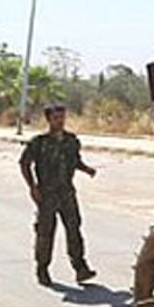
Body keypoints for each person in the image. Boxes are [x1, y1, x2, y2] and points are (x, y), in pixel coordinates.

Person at [19, 103, 98, 286]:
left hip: (67, 193)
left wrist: (87, 169)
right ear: (48, 120)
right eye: (56, 118)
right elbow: (24, 164)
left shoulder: (71, 140)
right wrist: (32, 187)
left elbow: (75, 161)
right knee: (46, 232)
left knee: (74, 230)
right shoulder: (39, 143)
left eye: (62, 117)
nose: (60, 121)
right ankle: (42, 269)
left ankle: (80, 268)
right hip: (46, 194)